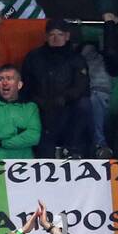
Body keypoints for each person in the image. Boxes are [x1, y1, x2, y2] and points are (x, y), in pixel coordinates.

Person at [21, 20, 91, 159]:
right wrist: (38, 102)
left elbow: (81, 87)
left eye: (60, 34)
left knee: (85, 104)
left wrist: (64, 98)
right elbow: (25, 86)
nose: (56, 38)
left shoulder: (77, 59)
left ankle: (73, 148)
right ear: (46, 37)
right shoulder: (33, 57)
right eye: (52, 34)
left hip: (67, 109)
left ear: (67, 36)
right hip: (39, 111)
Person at [0, 65, 41, 160]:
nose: (4, 83)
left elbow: (34, 136)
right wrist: (16, 130)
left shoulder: (30, 108)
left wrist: (2, 143)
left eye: (9, 78)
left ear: (19, 85)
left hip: (22, 167)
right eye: (1, 79)